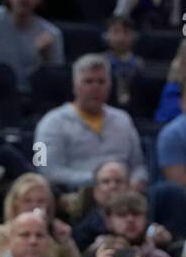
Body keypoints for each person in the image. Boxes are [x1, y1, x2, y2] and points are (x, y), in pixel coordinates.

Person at [31, 54, 147, 189]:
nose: (95, 87)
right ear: (75, 86)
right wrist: (100, 180)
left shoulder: (124, 119)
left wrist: (136, 179)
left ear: (109, 85)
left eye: (101, 81)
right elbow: (46, 171)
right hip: (77, 196)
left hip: (124, 199)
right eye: (89, 81)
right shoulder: (49, 123)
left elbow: (138, 166)